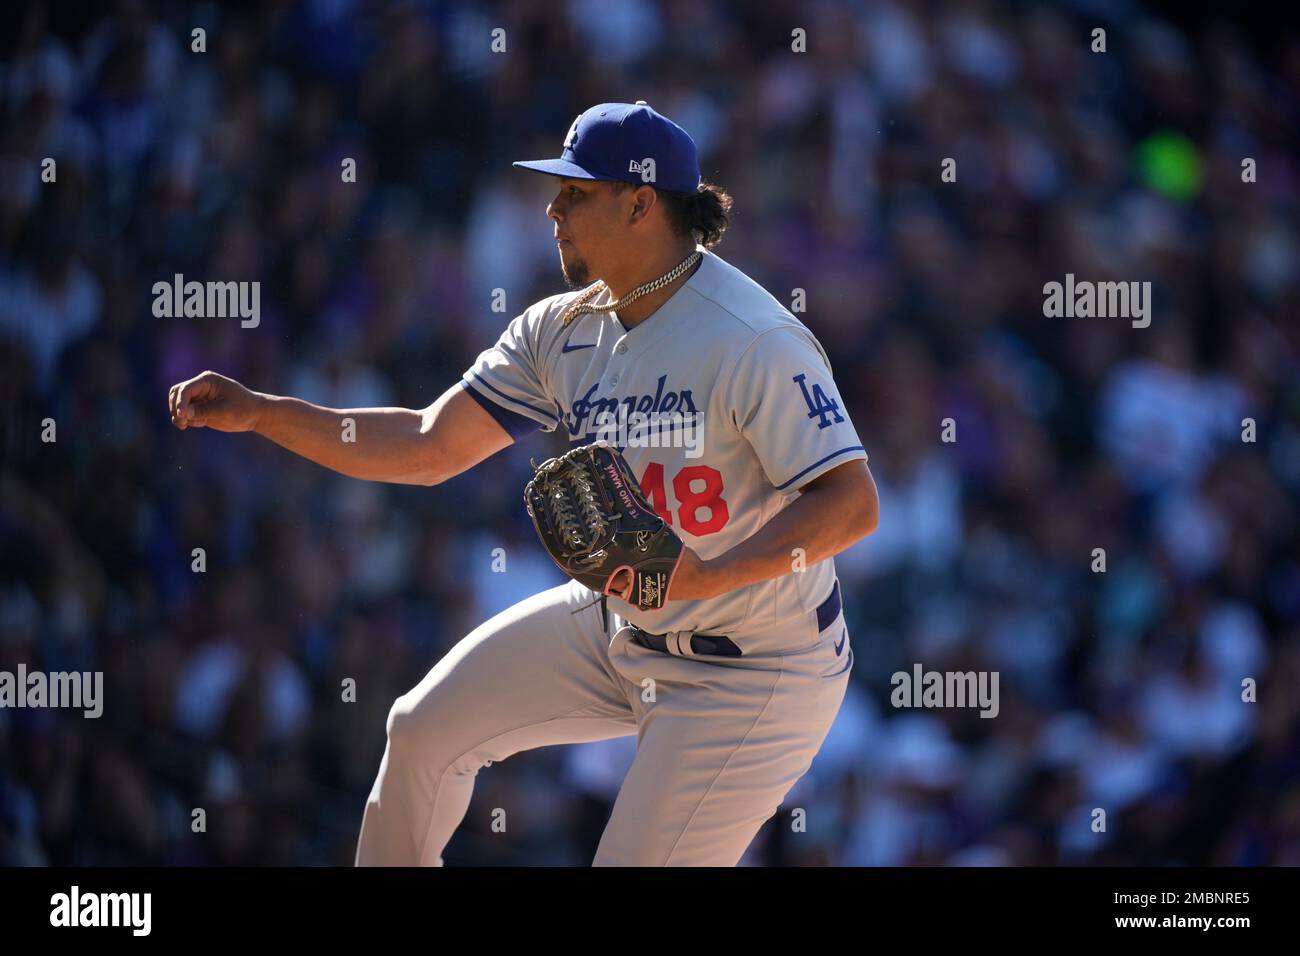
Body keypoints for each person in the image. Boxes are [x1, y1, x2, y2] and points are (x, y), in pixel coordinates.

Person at [167, 101, 879, 866]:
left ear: (640, 202)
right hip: (623, 620)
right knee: (421, 733)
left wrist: (706, 574)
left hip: (754, 670)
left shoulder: (754, 339)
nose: (553, 208)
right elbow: (427, 444)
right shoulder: (562, 329)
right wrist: (267, 413)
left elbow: (851, 504)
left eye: (576, 192)